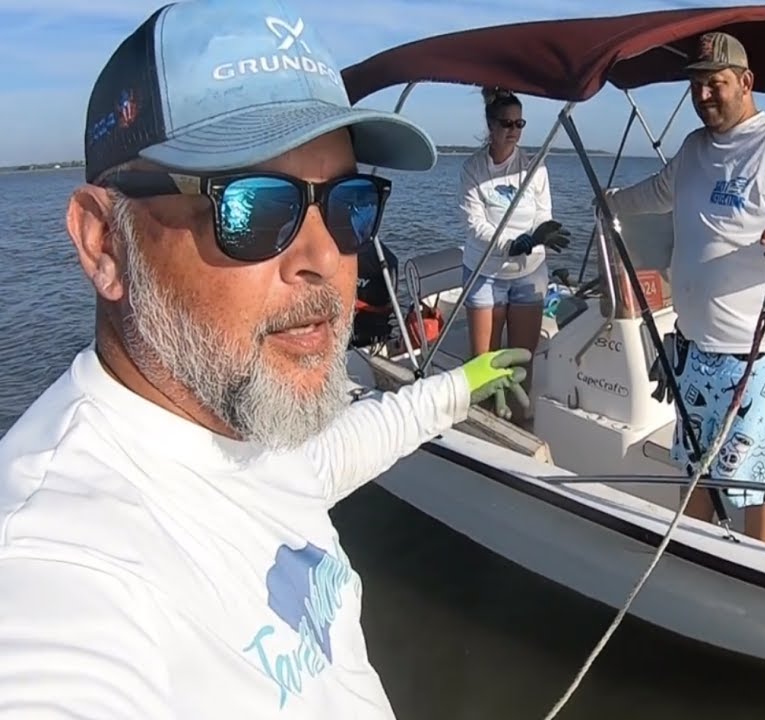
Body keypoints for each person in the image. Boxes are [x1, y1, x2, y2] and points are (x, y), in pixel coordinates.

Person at [0, 1, 531, 717]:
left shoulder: (240, 425)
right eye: (250, 207)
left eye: (347, 204)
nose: (325, 259)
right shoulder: (58, 562)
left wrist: (456, 388)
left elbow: (329, 456)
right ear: (105, 243)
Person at [603, 32, 765, 546]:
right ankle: (692, 549)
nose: (704, 95)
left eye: (717, 84)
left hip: (758, 359)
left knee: (758, 483)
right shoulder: (693, 148)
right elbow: (658, 192)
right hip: (694, 351)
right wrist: (611, 202)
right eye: (697, 85)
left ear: (746, 82)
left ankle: (761, 569)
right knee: (695, 466)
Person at [458, 87, 570, 422]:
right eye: (507, 123)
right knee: (484, 362)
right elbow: (475, 224)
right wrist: (512, 243)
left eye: (519, 123)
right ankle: (483, 422)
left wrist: (541, 234)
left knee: (522, 358)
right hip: (485, 272)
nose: (514, 130)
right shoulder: (473, 169)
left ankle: (518, 422)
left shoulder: (535, 167)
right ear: (491, 125)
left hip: (528, 273)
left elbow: (543, 213)